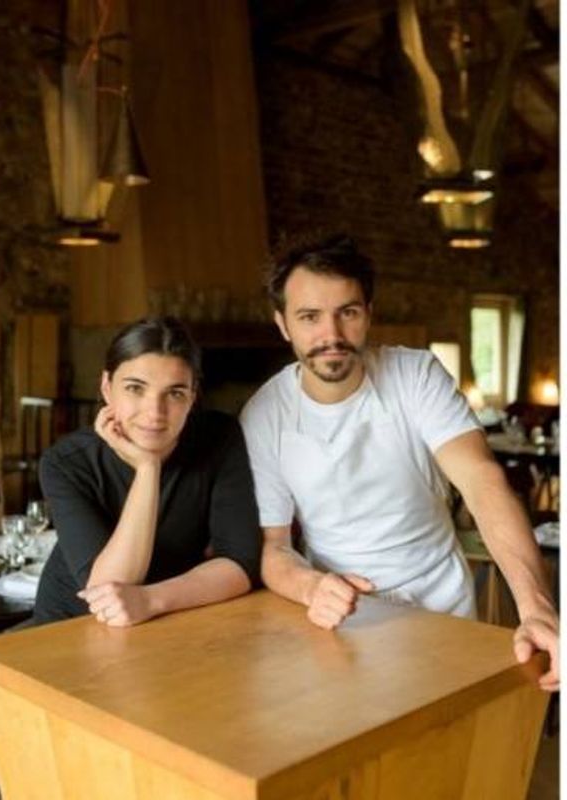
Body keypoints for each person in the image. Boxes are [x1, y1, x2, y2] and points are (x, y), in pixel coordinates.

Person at [239, 234, 559, 691]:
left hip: (443, 609)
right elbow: (274, 546)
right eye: (310, 317)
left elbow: (482, 482)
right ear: (283, 324)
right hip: (343, 618)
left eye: (347, 312)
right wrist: (310, 587)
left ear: (369, 313)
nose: (331, 335)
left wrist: (536, 608)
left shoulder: (416, 375)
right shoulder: (264, 414)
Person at [32, 317, 261, 626]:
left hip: (166, 617)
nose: (155, 413)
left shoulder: (220, 438)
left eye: (175, 393)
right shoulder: (67, 462)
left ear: (193, 396)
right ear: (107, 388)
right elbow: (109, 590)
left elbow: (240, 564)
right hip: (72, 624)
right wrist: (148, 467)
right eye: (135, 388)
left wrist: (152, 600)